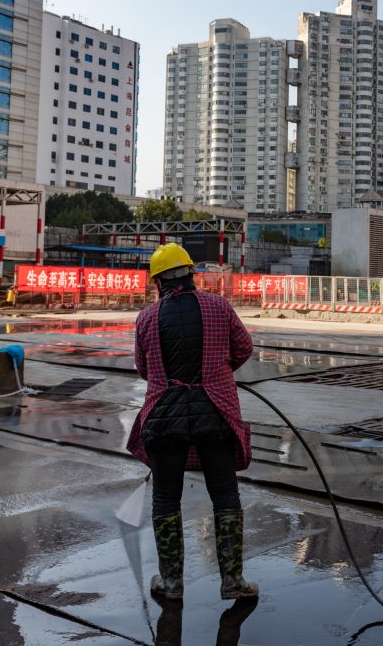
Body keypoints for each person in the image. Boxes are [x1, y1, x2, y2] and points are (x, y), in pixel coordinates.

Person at [126, 243, 258, 602]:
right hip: (215, 412)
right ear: (191, 275)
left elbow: (143, 368)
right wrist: (217, 373)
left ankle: (171, 583)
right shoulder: (219, 307)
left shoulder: (147, 318)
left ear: (158, 282)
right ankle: (233, 581)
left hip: (163, 416)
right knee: (225, 492)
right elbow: (244, 348)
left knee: (166, 496)